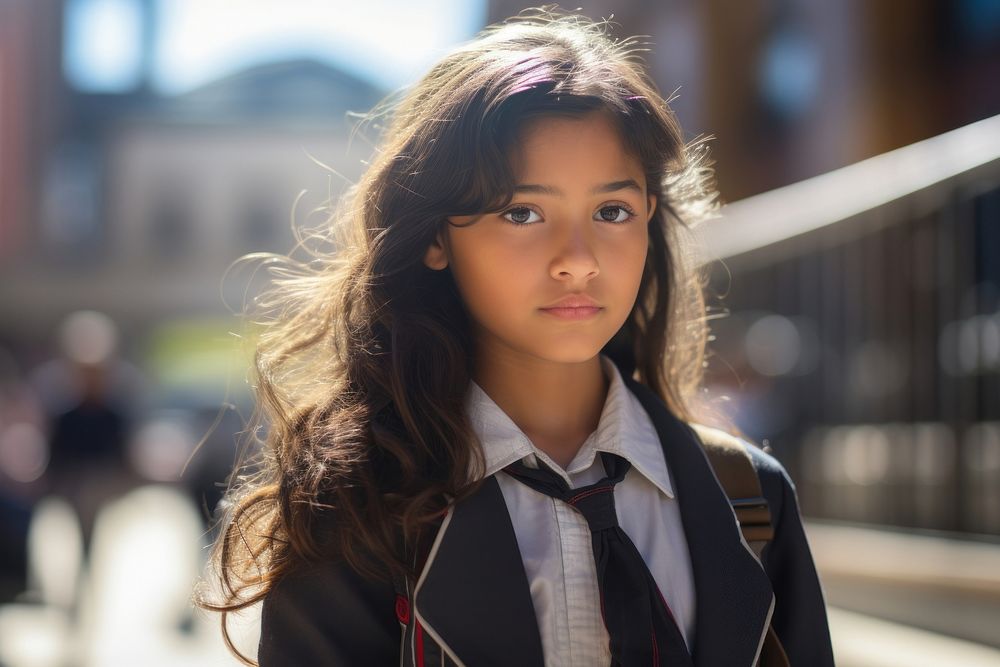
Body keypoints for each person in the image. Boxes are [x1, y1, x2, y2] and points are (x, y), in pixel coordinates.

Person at [199, 8, 834, 666]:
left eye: (611, 211)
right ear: (437, 237)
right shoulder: (356, 510)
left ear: (650, 219)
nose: (578, 258)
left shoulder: (750, 499)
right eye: (523, 212)